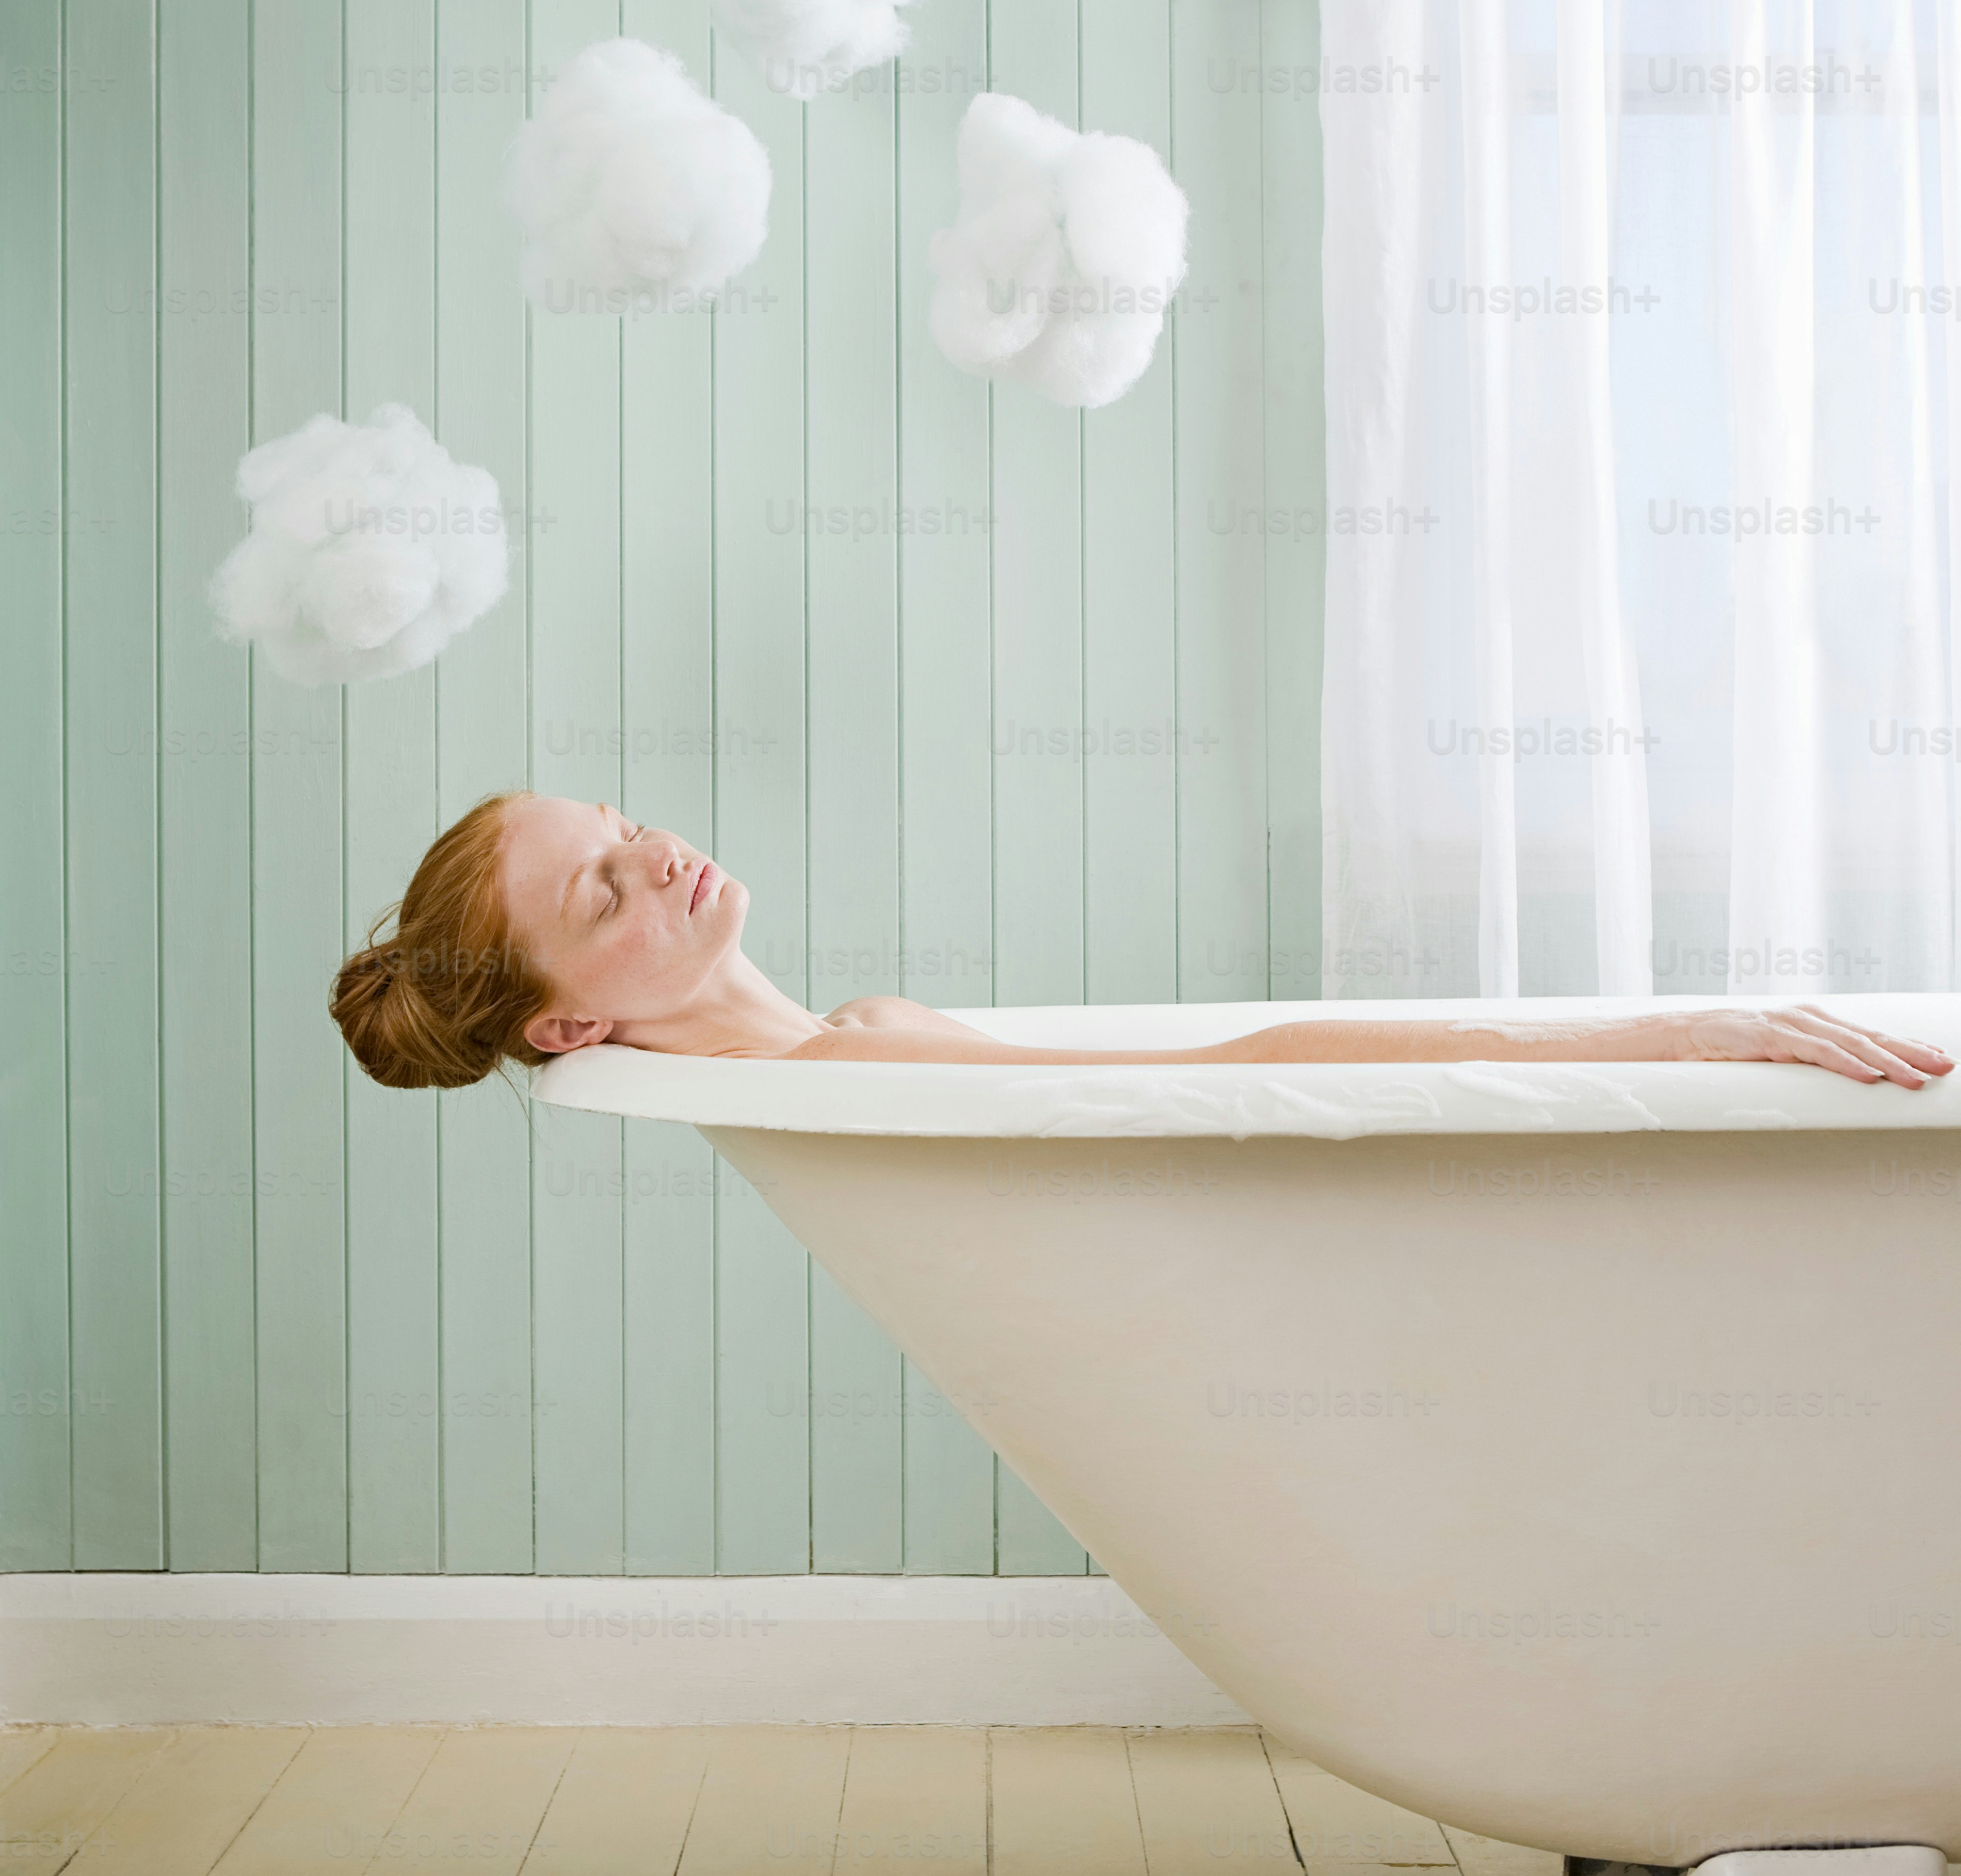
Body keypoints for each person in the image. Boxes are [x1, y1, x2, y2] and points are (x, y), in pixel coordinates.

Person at [330, 790, 1955, 1093]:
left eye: (618, 824)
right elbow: (1240, 1073)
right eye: (600, 895)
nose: (651, 854)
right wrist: (1655, 1041)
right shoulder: (859, 1065)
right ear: (563, 1025)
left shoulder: (859, 1031)